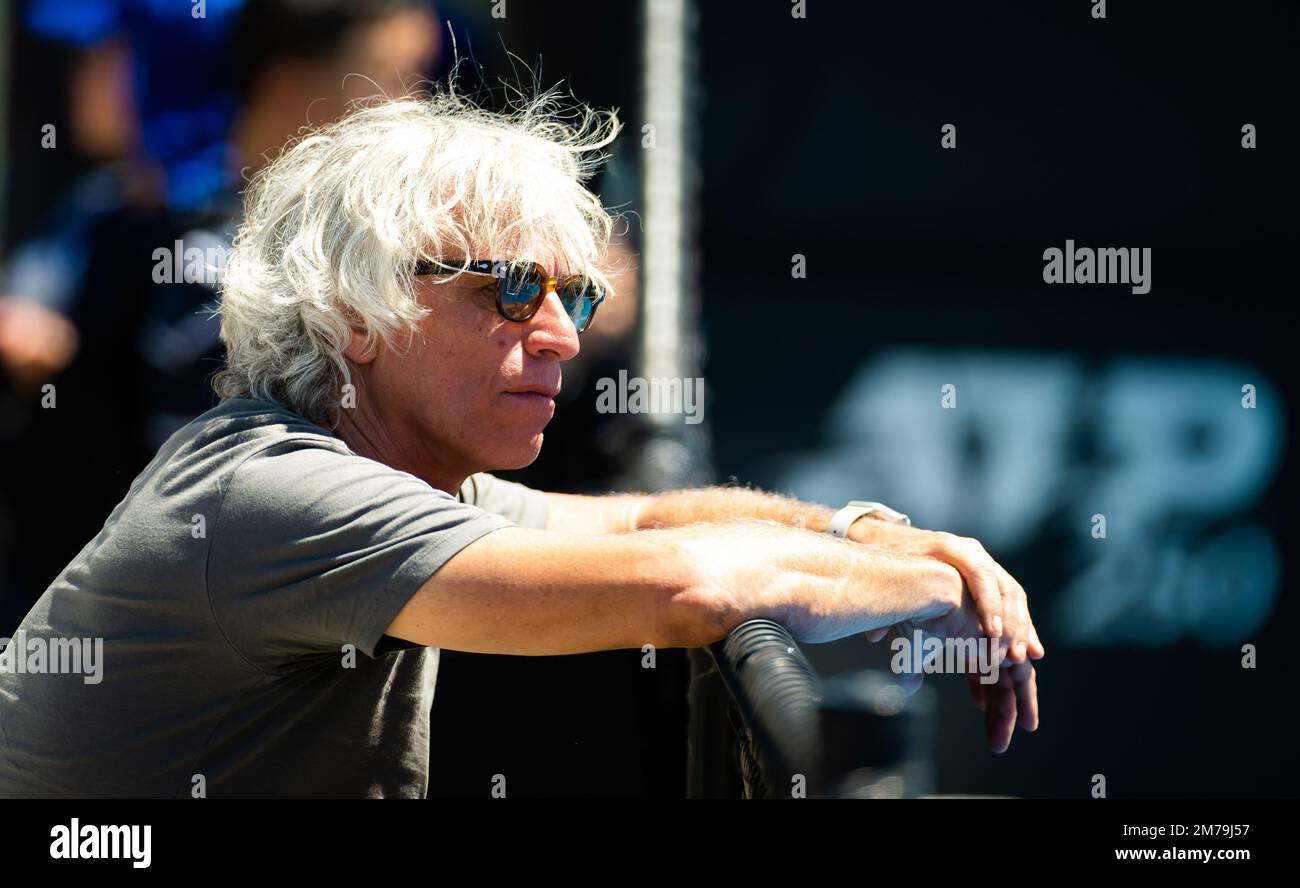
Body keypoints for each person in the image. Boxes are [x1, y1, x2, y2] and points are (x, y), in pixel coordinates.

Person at [0, 88, 1043, 798]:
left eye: (574, 296)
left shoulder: (381, 469)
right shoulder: (277, 493)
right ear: (356, 310)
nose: (558, 334)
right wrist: (941, 582)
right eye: (508, 287)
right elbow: (685, 587)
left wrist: (864, 530)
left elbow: (643, 518)